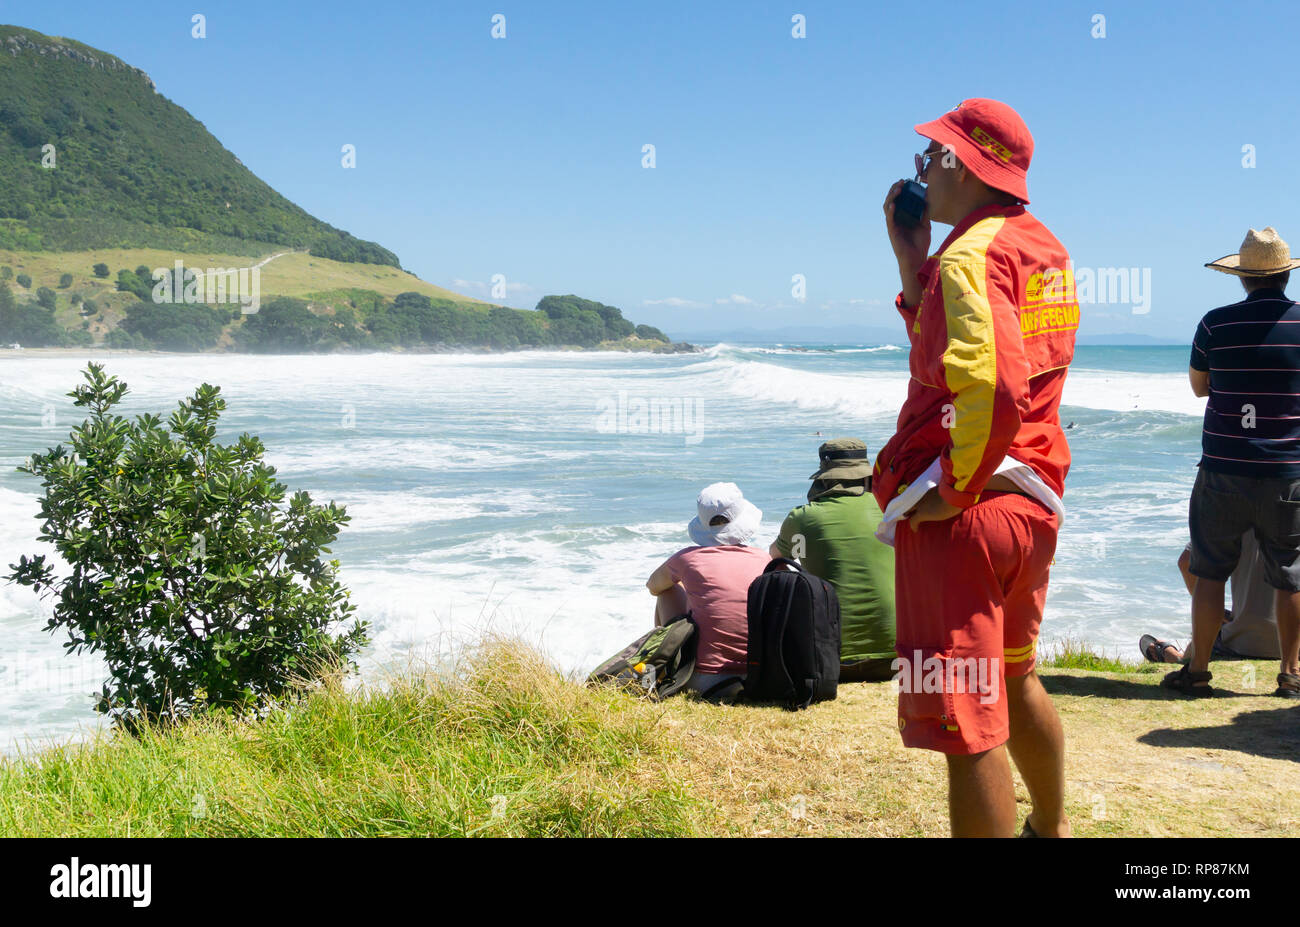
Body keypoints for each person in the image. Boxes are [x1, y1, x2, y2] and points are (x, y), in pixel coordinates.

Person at [877, 99, 1079, 837]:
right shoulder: (1042, 247)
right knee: (1017, 675)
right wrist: (911, 262)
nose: (923, 167)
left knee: (965, 723)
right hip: (1033, 502)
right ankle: (1049, 829)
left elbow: (992, 384)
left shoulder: (968, 256)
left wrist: (953, 488)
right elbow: (975, 354)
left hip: (969, 511)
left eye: (932, 155)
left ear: (960, 164)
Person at [1170, 227, 1300, 699]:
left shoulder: (1214, 323)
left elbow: (1200, 387)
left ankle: (1198, 672)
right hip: (1288, 469)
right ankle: (1290, 675)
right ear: (1285, 276)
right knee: (1290, 574)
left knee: (1209, 570)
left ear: (1243, 278)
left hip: (1224, 467)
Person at [770, 438, 897, 681]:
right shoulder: (891, 509)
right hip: (898, 657)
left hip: (830, 660)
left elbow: (776, 559)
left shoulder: (803, 518)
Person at [646, 482, 770, 693]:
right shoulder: (764, 559)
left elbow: (653, 586)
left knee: (668, 591)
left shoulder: (688, 559)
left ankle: (666, 668)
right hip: (758, 676)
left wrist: (690, 587)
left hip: (702, 681)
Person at [1140, 531, 1281, 664]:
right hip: (1292, 646)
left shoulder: (1234, 513)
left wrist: (1216, 613)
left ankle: (1178, 658)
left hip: (1243, 643)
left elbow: (1186, 562)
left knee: (1210, 625)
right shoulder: (1293, 513)